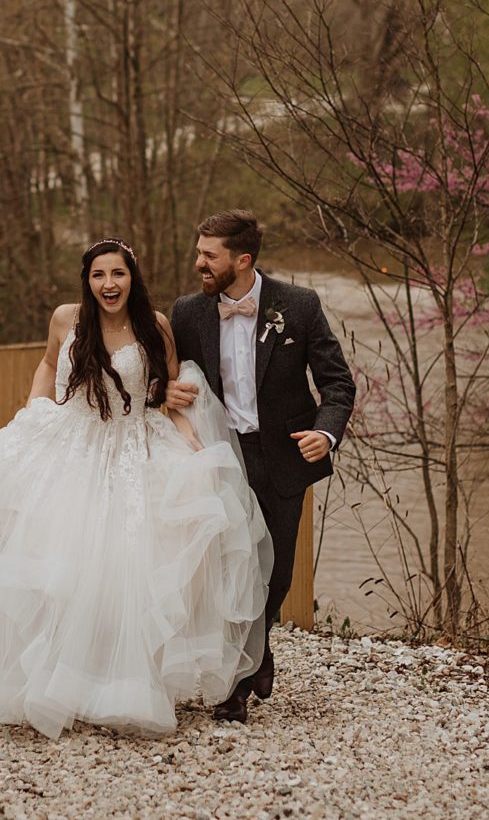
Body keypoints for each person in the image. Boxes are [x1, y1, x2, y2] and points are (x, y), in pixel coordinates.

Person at [0, 238, 272, 739]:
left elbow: (169, 390)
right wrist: (33, 408)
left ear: (132, 277)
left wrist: (194, 445)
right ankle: (53, 683)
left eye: (118, 274)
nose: (108, 284)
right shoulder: (65, 318)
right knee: (61, 565)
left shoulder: (154, 325)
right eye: (98, 275)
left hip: (133, 447)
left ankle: (121, 685)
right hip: (72, 443)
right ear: (86, 280)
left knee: (127, 568)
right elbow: (49, 365)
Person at [166, 209, 355, 723]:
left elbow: (337, 384)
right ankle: (238, 683)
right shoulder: (186, 313)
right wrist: (165, 391)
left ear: (242, 259)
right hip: (218, 456)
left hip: (284, 457)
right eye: (199, 251)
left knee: (275, 575)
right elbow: (165, 376)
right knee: (231, 567)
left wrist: (326, 432)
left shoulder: (298, 306)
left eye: (210, 255)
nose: (198, 262)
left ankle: (257, 648)